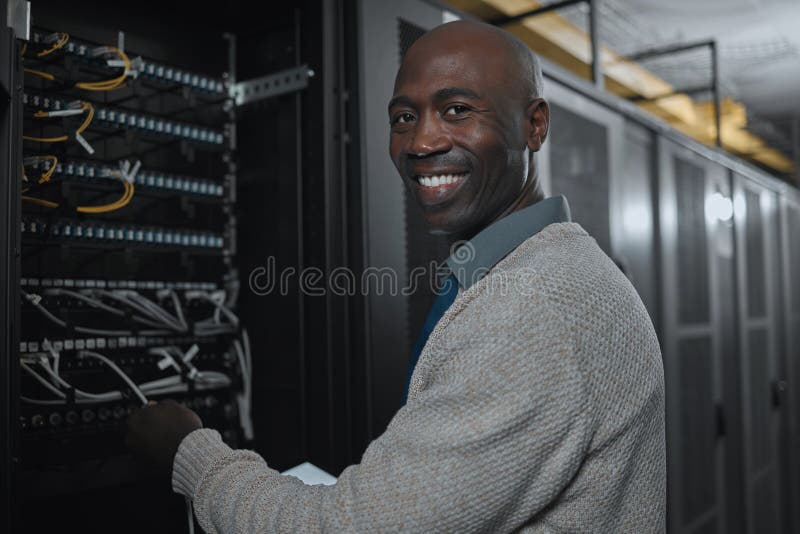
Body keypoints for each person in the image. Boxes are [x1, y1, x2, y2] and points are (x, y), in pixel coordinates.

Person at [126, 20, 666, 533]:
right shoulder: (545, 270)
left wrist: (191, 455)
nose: (420, 143)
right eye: (404, 117)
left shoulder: (535, 308)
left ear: (535, 124)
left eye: (457, 110)